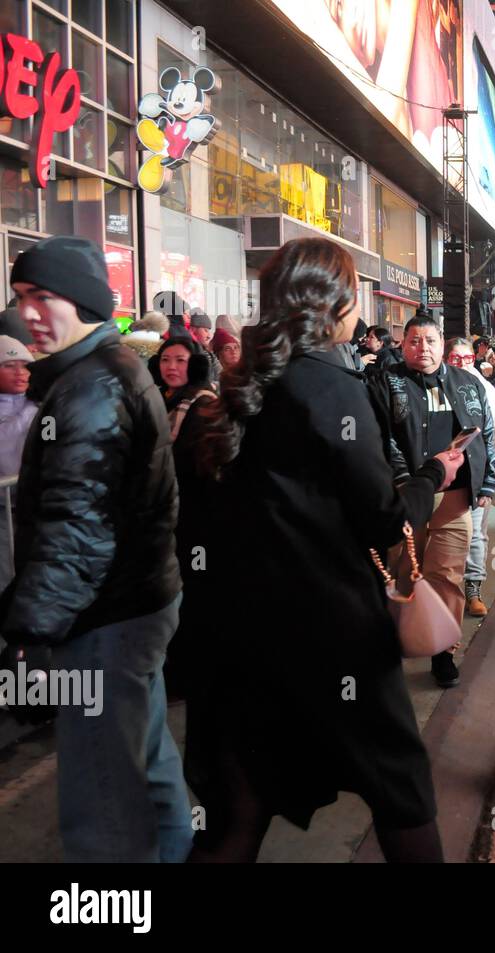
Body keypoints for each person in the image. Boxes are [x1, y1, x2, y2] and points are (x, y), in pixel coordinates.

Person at [184, 237, 462, 862]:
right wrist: (432, 478)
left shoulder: (230, 390)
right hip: (333, 634)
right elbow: (383, 518)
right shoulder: (331, 387)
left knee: (240, 808)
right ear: (334, 301)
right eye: (355, 288)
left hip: (238, 638)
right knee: (401, 791)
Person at [0, 236, 190, 862]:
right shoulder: (105, 370)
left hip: (107, 619)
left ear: (81, 300)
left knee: (103, 801)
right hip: (136, 605)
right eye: (22, 296)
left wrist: (28, 636)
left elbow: (76, 529)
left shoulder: (92, 385)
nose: (28, 311)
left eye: (43, 296)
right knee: (147, 765)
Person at [369, 313, 495, 688]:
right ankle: (398, 642)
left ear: (442, 344)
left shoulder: (467, 384)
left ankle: (444, 649)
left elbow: (485, 433)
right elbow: (382, 437)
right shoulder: (386, 383)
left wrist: (487, 484)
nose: (422, 348)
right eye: (414, 341)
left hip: (454, 500)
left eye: (429, 341)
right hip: (407, 497)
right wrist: (407, 480)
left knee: (446, 575)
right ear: (403, 344)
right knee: (403, 572)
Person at [153, 336, 218, 700]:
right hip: (167, 518)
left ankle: (188, 673)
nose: (172, 367)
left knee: (191, 597)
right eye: (165, 359)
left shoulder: (203, 404)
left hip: (195, 520)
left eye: (180, 360)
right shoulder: (162, 400)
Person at [445, 337, 495, 618]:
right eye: (456, 360)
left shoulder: (485, 390)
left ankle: (473, 589)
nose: (462, 366)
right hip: (442, 479)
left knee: (476, 537)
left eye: (467, 360)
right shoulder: (434, 387)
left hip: (476, 476)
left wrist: (490, 481)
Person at [0, 336, 37, 590]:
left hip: (36, 510)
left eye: (25, 365)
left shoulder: (44, 405)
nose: (20, 373)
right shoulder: (40, 405)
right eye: (8, 365)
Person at [188, 312, 222, 384]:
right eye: (205, 330)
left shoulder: (210, 355)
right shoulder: (187, 353)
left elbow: (222, 378)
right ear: (193, 330)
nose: (209, 336)